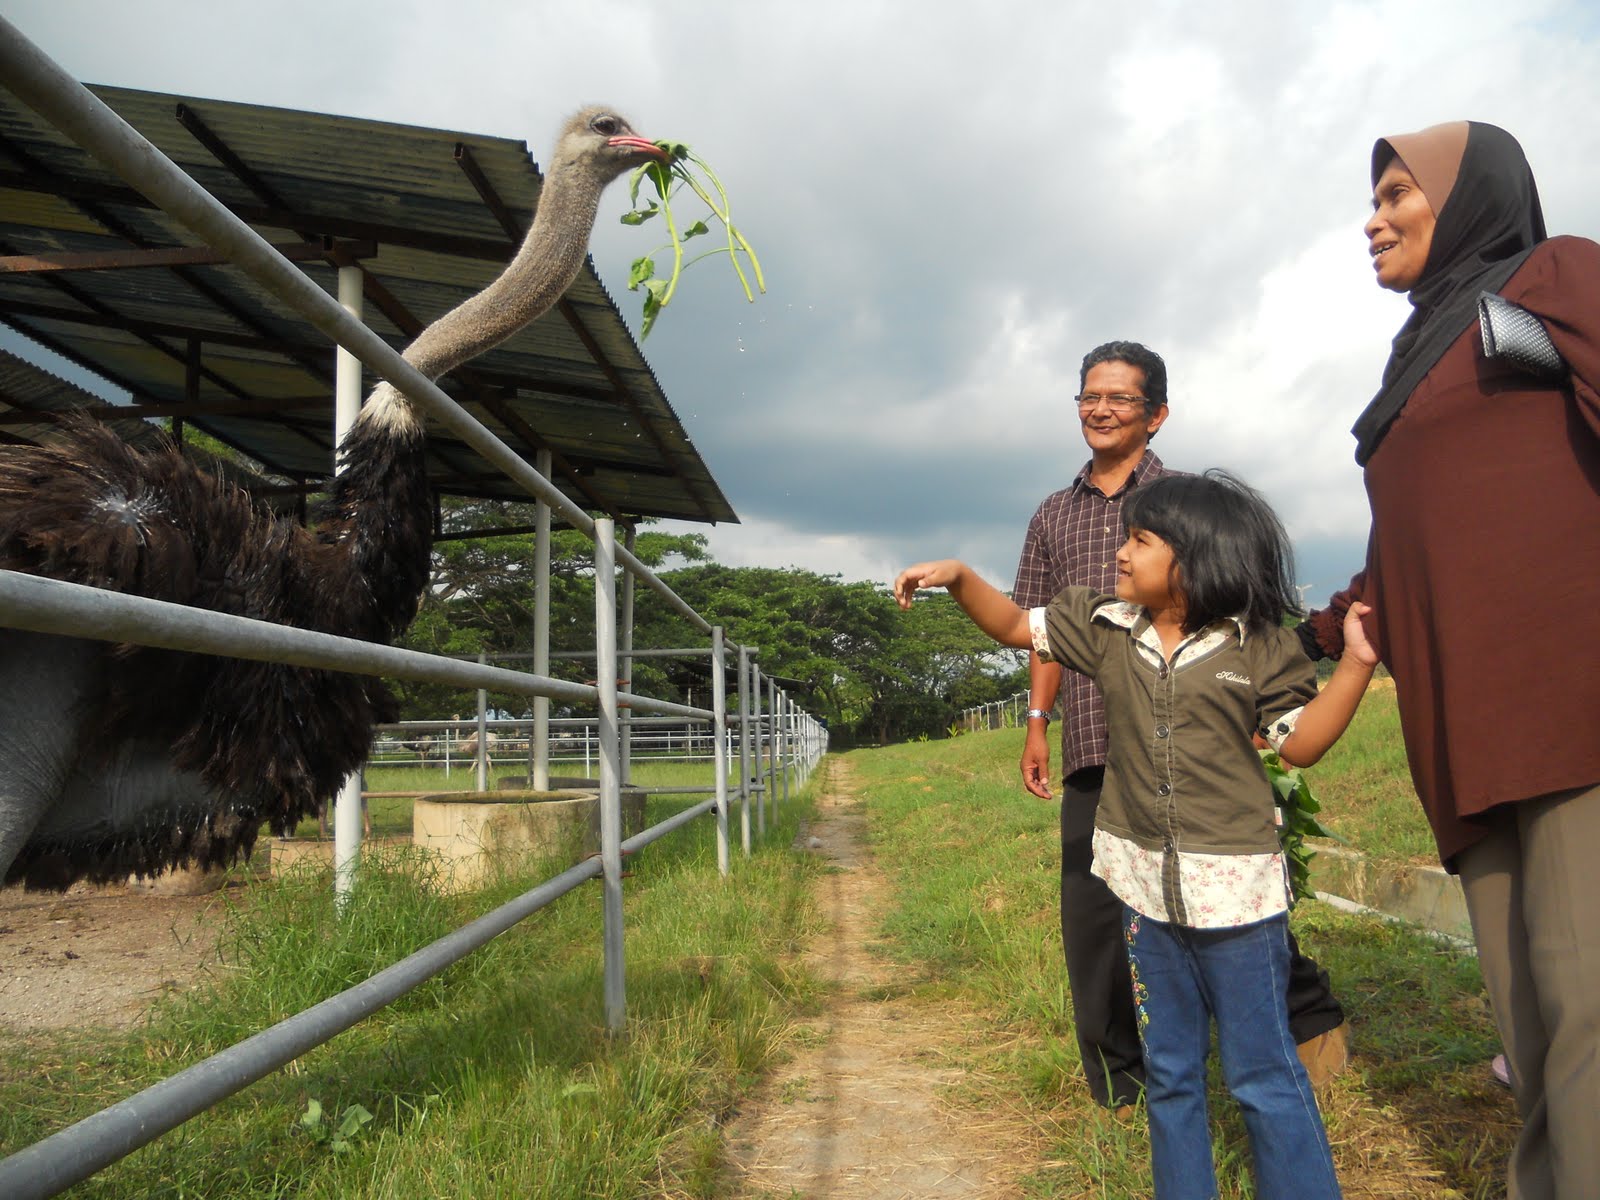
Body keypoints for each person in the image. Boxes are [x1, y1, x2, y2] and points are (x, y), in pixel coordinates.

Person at [897, 471, 1375, 1200]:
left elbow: (1300, 743)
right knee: (1173, 1072)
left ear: (1197, 558)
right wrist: (960, 577)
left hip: (1238, 905)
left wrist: (1358, 665)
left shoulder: (1260, 649)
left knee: (1262, 1073)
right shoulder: (1105, 629)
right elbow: (1016, 626)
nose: (1120, 554)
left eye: (1140, 540)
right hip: (1143, 895)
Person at [1298, 121, 1600, 1199]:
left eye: (1394, 193)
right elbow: (1407, 546)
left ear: (1467, 196)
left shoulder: (1550, 274)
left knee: (1585, 1009)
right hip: (1465, 725)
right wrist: (1310, 641)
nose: (1371, 218)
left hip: (1568, 700)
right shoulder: (1426, 345)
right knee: (1530, 1017)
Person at [1012, 341, 1347, 1112]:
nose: (1100, 409)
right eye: (1088, 396)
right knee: (1091, 913)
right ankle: (1123, 1085)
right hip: (1098, 738)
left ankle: (1308, 1024)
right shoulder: (1052, 514)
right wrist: (1038, 720)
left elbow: (1241, 607)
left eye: (1120, 399)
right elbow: (1039, 628)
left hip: (1200, 740)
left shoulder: (1183, 503)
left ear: (1156, 415)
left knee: (1228, 900)